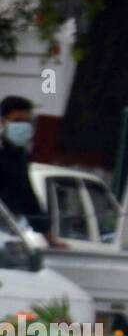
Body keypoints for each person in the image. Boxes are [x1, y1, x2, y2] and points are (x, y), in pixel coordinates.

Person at [0, 96, 65, 247]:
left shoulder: (21, 155)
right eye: (17, 121)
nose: (22, 126)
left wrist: (49, 238)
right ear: (3, 122)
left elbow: (28, 198)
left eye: (26, 122)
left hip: (9, 232)